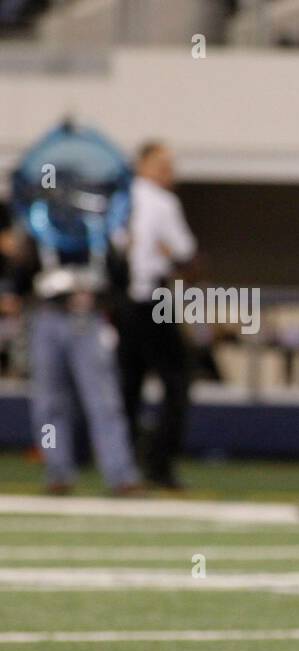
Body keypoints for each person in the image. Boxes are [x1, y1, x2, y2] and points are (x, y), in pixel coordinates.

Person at [9, 122, 141, 496]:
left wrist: (104, 297)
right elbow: (23, 274)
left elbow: (119, 276)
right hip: (48, 316)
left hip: (87, 318)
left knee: (103, 401)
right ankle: (58, 471)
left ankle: (120, 473)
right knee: (50, 403)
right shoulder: (40, 227)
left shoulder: (97, 230)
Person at [121, 141, 197, 490]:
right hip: (153, 299)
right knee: (177, 381)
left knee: (128, 385)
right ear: (144, 165)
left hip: (121, 301)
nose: (171, 173)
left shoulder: (119, 198)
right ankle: (158, 462)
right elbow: (185, 250)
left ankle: (123, 461)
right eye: (163, 165)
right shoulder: (162, 202)